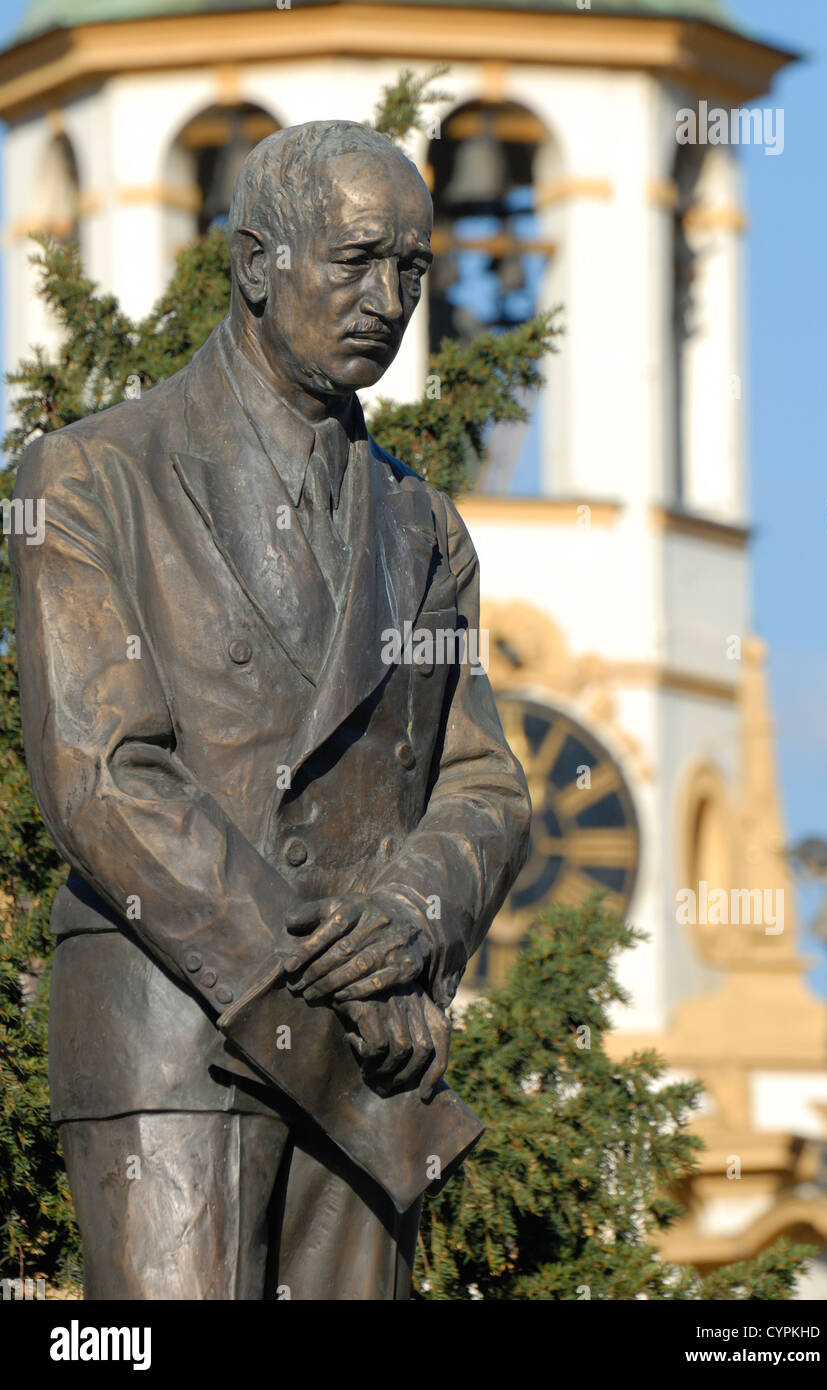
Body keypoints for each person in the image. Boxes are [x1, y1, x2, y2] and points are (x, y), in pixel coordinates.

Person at [11, 120, 530, 1299]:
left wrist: (413, 914)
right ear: (256, 264)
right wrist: (330, 975)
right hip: (179, 1023)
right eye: (354, 261)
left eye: (412, 268)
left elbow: (482, 780)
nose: (388, 298)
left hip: (368, 1059)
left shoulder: (422, 524)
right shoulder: (91, 476)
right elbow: (100, 776)